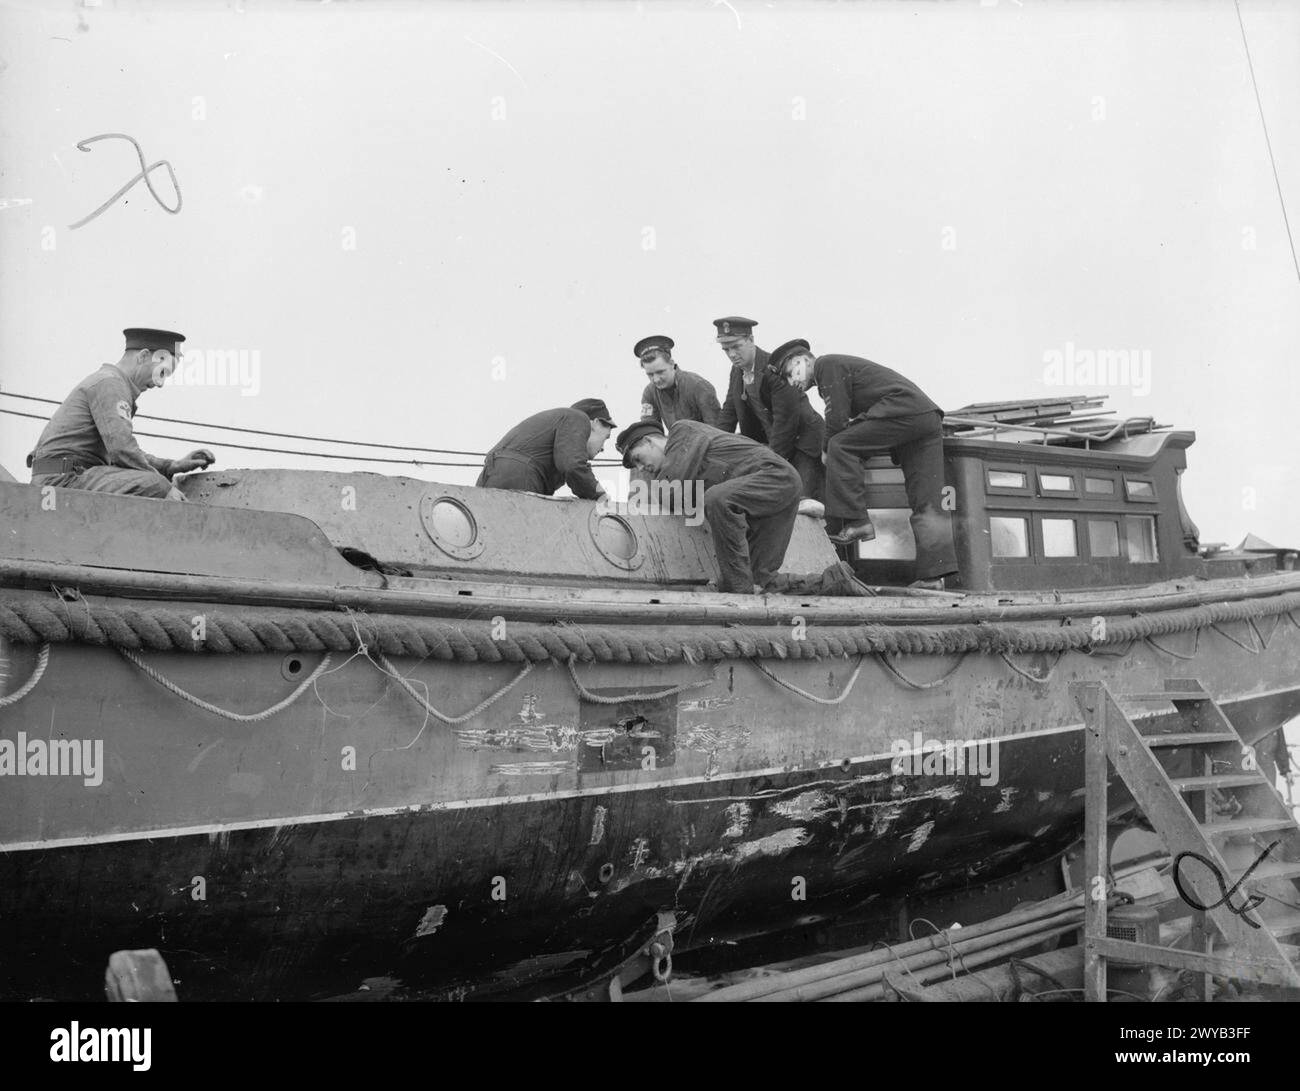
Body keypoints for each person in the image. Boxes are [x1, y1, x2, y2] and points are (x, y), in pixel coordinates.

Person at [771, 339, 958, 590]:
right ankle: (935, 576)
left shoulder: (826, 365)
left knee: (840, 444)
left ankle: (857, 521)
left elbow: (836, 420)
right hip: (925, 418)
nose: (794, 383)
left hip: (903, 413)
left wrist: (827, 450)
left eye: (789, 374)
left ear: (801, 361)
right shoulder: (837, 370)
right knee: (927, 501)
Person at [616, 418, 801, 595]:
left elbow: (669, 492)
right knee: (763, 581)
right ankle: (829, 583)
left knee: (716, 499)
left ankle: (737, 593)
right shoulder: (685, 467)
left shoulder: (682, 432)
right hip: (768, 496)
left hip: (775, 477)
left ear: (649, 441)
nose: (640, 468)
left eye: (638, 459)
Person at [27, 328, 214, 500]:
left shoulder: (110, 382)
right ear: (143, 356)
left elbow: (124, 450)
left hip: (69, 475)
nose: (160, 383)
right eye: (162, 372)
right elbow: (122, 449)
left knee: (154, 481)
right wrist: (165, 487)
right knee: (156, 485)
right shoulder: (111, 384)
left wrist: (170, 466)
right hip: (62, 481)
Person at [713, 316, 824, 500]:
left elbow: (785, 421)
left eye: (736, 346)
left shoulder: (776, 367)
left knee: (802, 504)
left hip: (803, 442)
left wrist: (769, 463)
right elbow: (729, 413)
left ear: (751, 340)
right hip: (775, 446)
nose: (731, 354)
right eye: (726, 349)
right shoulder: (737, 371)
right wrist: (714, 448)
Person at [477, 398, 614, 501]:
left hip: (489, 476)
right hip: (521, 476)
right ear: (595, 423)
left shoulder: (558, 424)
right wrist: (600, 495)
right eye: (606, 438)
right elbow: (573, 466)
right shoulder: (578, 418)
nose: (602, 448)